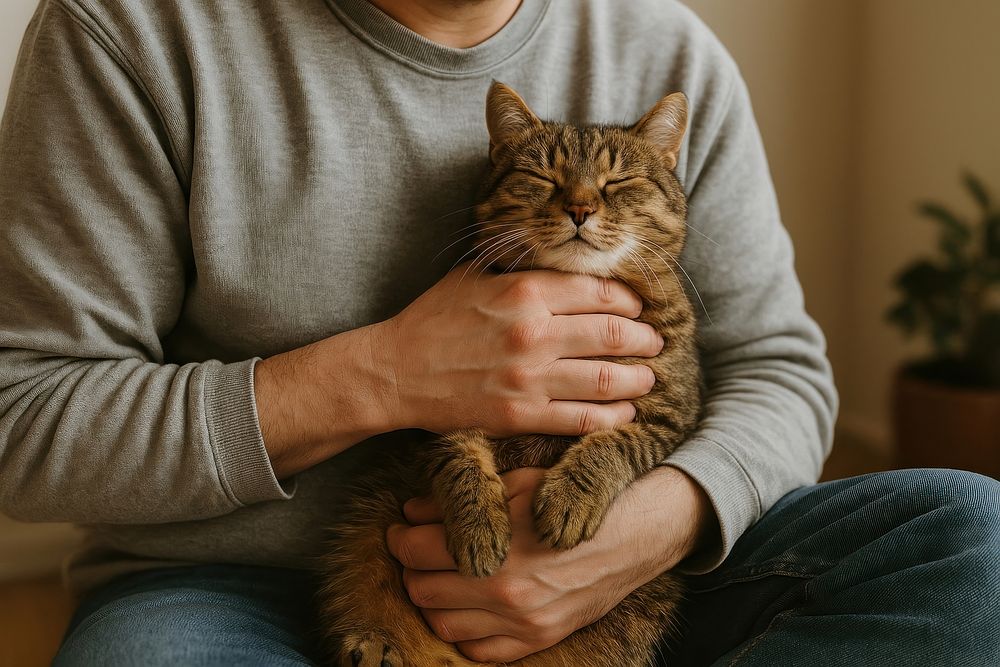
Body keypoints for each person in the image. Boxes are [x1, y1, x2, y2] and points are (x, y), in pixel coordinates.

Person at [0, 0, 995, 665]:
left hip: (635, 571)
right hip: (240, 586)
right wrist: (386, 375)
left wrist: (641, 531)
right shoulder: (129, 31)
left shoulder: (669, 50)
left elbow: (779, 368)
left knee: (971, 546)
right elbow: (24, 425)